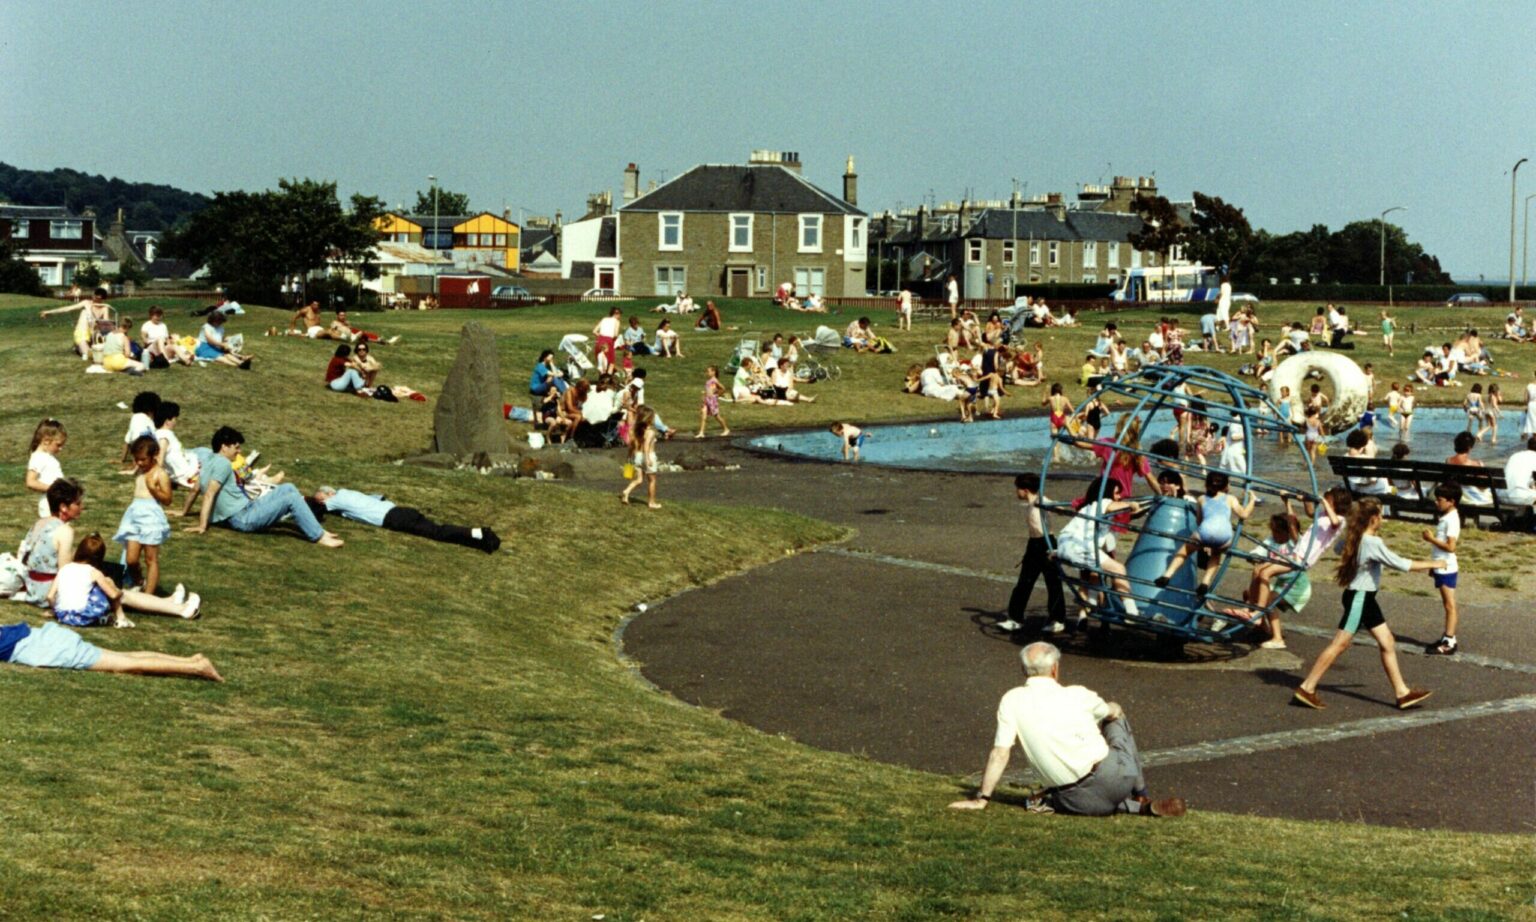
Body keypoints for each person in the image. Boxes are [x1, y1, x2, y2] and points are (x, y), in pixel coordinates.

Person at [949, 642, 1185, 817]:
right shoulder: (1077, 693)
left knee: (1047, 799)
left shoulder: (1012, 700)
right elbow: (1111, 712)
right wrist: (1113, 708)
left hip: (1078, 800)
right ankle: (1141, 793)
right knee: (1116, 718)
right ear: (1055, 669)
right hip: (1117, 776)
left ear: (1024, 671)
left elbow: (1000, 753)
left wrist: (983, 798)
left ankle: (1139, 808)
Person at [1292, 499, 1438, 711]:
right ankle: (1307, 687)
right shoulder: (1372, 543)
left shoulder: (1354, 537)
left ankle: (1402, 693)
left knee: (1387, 641)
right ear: (1373, 519)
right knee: (1340, 644)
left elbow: (1338, 549)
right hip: (1360, 598)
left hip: (1364, 598)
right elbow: (1402, 564)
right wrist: (1435, 563)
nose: (1382, 519)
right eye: (1380, 515)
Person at [20, 480, 200, 619]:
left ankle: (166, 602)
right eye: (77, 503)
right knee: (118, 592)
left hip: (34, 589)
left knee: (107, 578)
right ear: (63, 507)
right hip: (50, 594)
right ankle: (180, 609)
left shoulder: (40, 523)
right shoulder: (65, 531)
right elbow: (65, 573)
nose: (82, 506)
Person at [187, 426, 343, 547]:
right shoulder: (223, 465)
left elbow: (195, 489)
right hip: (241, 518)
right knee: (291, 499)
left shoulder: (209, 461)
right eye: (236, 447)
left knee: (288, 487)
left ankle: (316, 528)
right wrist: (202, 526)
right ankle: (318, 536)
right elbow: (209, 494)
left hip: (247, 507)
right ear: (224, 447)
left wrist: (183, 512)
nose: (239, 451)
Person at [0, 619, 221, 681]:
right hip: (43, 636)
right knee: (124, 657)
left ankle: (197, 668)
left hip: (48, 648)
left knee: (127, 665)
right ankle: (189, 660)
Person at [1154, 472, 1257, 598]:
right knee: (1216, 555)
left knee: (1185, 550)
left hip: (1204, 532)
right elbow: (1244, 514)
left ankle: (1167, 575)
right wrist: (1252, 500)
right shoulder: (1230, 499)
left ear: (1206, 484)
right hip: (1224, 537)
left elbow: (1199, 521)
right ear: (1226, 486)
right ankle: (1205, 582)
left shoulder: (1201, 499)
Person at [308, 486, 500, 553]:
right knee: (436, 529)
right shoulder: (348, 493)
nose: (320, 499)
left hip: (394, 518)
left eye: (321, 495)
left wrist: (305, 500)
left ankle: (480, 534)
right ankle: (478, 537)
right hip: (399, 511)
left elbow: (316, 509)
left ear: (328, 494)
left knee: (437, 533)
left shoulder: (337, 499)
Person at [996, 473, 1066, 634]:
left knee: (1053, 583)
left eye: (1017, 489)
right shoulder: (1030, 504)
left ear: (1025, 490)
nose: (1016, 492)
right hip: (1033, 544)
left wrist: (1058, 507)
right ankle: (1015, 619)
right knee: (1024, 583)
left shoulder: (1041, 501)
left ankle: (1058, 620)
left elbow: (1056, 506)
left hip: (1047, 544)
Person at [113, 436, 177, 595]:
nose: (139, 463)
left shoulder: (160, 474)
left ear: (154, 455)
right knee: (131, 559)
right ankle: (139, 581)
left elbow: (168, 499)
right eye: (136, 459)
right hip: (134, 514)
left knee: (151, 559)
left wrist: (154, 489)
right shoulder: (140, 471)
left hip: (151, 516)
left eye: (143, 459)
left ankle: (148, 596)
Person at [1421, 482, 1462, 656]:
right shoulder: (1446, 517)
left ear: (1451, 501)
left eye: (1440, 500)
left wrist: (1430, 539)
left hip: (1446, 566)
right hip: (1440, 565)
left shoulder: (1451, 519)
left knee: (1449, 605)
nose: (1437, 503)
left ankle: (1449, 640)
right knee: (1447, 604)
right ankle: (1448, 637)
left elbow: (1451, 547)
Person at [39, 287, 113, 359]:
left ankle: (80, 346)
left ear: (102, 299)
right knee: (88, 355)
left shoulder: (104, 308)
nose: (94, 299)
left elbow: (105, 325)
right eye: (94, 296)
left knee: (103, 352)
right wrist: (48, 312)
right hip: (82, 333)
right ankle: (79, 346)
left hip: (93, 334)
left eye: (98, 298)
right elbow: (68, 309)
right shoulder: (86, 303)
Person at [25, 417, 68, 519]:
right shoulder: (38, 457)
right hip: (49, 504)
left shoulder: (47, 457)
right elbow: (30, 482)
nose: (60, 449)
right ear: (46, 440)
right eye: (58, 445)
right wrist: (53, 489)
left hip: (57, 503)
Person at [621, 405, 661, 509]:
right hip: (648, 456)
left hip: (637, 456)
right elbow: (647, 446)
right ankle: (651, 502)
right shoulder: (651, 432)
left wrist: (628, 458)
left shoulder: (636, 431)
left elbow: (631, 446)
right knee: (652, 480)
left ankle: (626, 491)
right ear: (649, 419)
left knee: (639, 479)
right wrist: (647, 459)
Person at [696, 366, 730, 439]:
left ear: (713, 372)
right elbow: (709, 390)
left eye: (708, 371)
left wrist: (718, 394)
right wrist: (704, 394)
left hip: (712, 400)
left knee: (717, 416)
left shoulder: (715, 380)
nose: (707, 373)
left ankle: (726, 429)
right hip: (706, 400)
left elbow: (723, 388)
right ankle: (701, 432)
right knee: (703, 416)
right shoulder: (708, 381)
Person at [593, 307, 622, 372]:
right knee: (611, 363)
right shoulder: (617, 321)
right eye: (620, 315)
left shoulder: (604, 319)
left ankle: (601, 379)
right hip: (609, 341)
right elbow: (615, 334)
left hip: (600, 340)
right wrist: (613, 340)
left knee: (601, 363)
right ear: (617, 314)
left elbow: (594, 331)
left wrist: (600, 337)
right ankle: (608, 378)